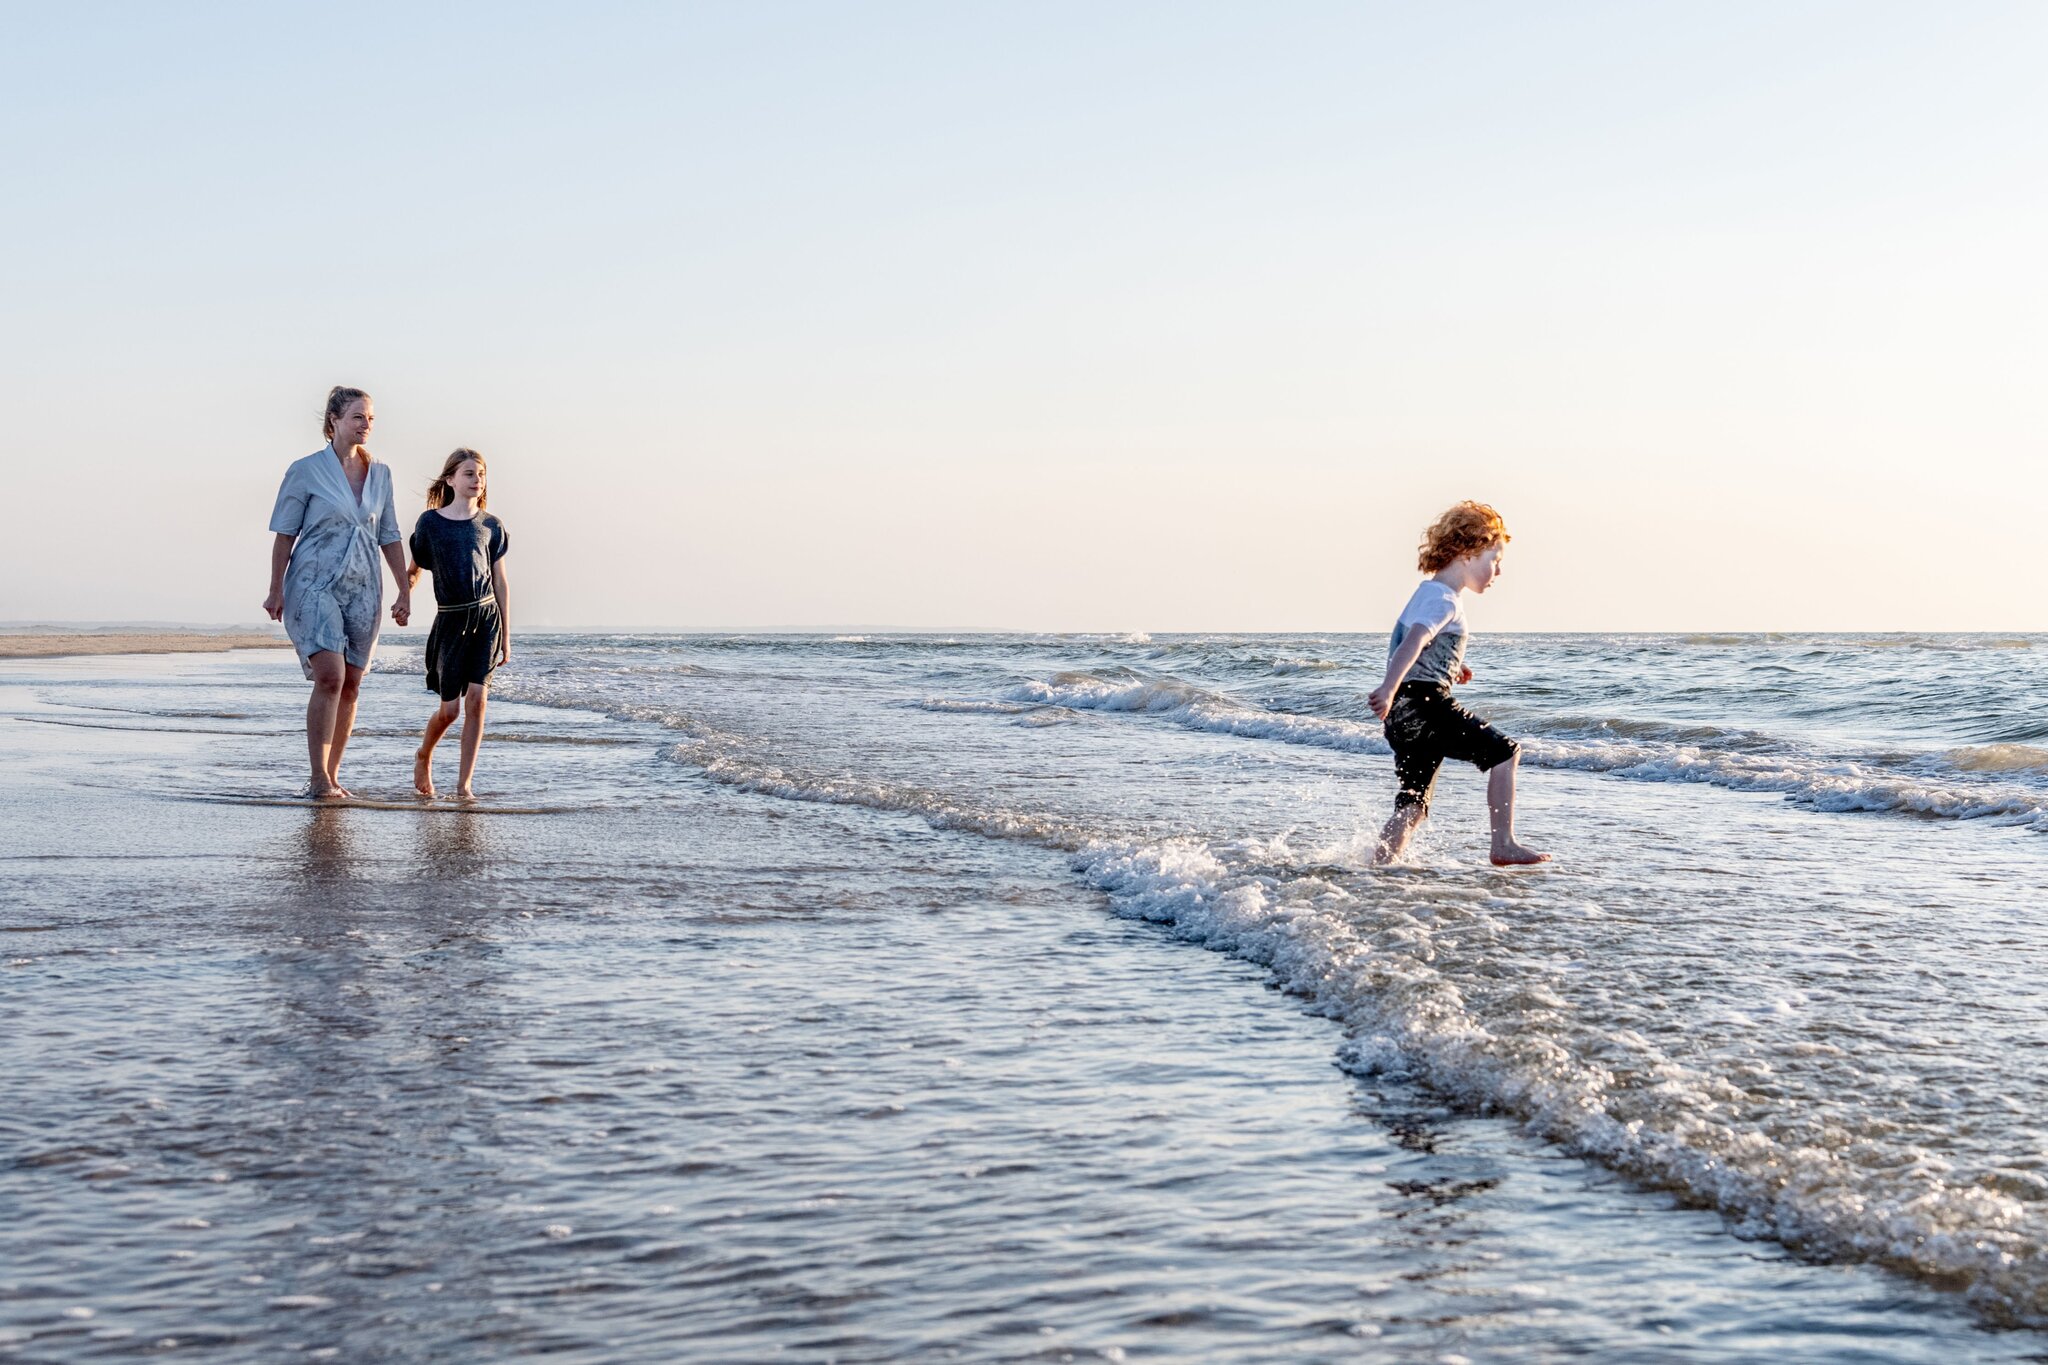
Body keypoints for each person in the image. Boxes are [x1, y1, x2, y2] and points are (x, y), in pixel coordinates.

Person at [1366, 501, 1548, 867]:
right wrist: (1387, 686)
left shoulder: (1426, 593)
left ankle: (1379, 866)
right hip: (1423, 703)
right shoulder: (1445, 600)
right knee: (1505, 753)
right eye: (1494, 560)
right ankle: (1504, 844)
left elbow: (1420, 644)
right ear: (1468, 552)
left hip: (1402, 715)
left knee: (1414, 801)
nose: (1498, 571)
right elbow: (1414, 640)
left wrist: (1452, 664)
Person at [263, 386, 411, 799]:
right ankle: (318, 778)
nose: (366, 425)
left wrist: (404, 590)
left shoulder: (381, 473)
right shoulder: (306, 470)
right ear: (334, 421)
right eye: (358, 417)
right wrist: (276, 589)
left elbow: (391, 534)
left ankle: (333, 774)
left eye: (371, 418)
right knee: (330, 676)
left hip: (364, 587)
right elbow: (284, 535)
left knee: (352, 684)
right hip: (313, 583)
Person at [407, 449, 511, 800]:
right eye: (469, 473)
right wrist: (403, 599)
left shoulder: (491, 525)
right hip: (451, 618)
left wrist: (506, 637)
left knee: (478, 700)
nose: (477, 480)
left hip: (486, 618)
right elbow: (416, 568)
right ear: (450, 479)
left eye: (481, 473)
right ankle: (424, 754)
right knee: (450, 710)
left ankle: (464, 784)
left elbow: (500, 581)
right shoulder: (430, 524)